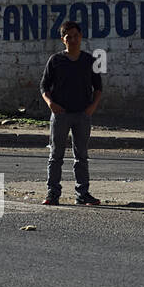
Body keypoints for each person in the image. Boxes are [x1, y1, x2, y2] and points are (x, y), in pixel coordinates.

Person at [39, 20, 103, 206]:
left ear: (81, 37)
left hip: (82, 115)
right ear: (63, 39)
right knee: (56, 155)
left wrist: (92, 107)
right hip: (61, 115)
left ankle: (82, 193)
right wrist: (50, 103)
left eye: (76, 36)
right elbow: (43, 86)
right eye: (69, 37)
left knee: (81, 156)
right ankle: (52, 193)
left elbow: (98, 88)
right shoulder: (56, 60)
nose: (73, 40)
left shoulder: (90, 61)